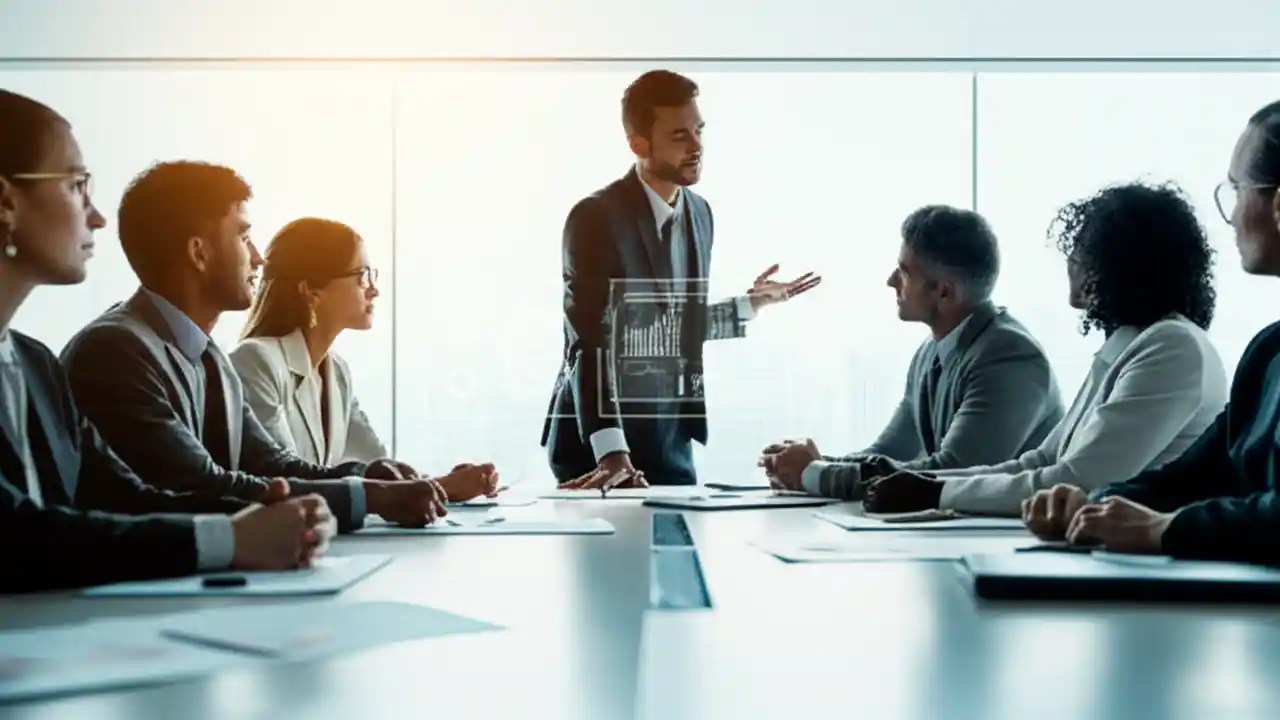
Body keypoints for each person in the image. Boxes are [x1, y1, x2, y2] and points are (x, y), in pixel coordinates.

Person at [0, 88, 331, 592]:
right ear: (6, 202)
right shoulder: (109, 350)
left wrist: (269, 516)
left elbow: (125, 498)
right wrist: (230, 538)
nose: (96, 217)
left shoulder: (34, 363)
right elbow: (19, 532)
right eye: (75, 186)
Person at [61, 161, 468, 532]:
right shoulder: (114, 352)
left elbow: (271, 464)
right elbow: (203, 484)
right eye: (243, 235)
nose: (258, 259)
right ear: (198, 252)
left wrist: (369, 475)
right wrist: (369, 495)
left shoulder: (207, 356)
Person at [863, 182, 1227, 515]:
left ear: (1121, 262)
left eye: (1081, 250)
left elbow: (1081, 480)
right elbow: (1042, 460)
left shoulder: (1173, 347)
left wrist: (936, 493)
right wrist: (933, 487)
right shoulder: (1131, 342)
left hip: (1146, 570)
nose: (1071, 263)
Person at [1023, 100, 1280, 564]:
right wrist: (1097, 503)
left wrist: (1167, 529)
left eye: (1237, 189)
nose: (1233, 213)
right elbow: (1195, 475)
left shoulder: (1176, 345)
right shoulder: (1269, 351)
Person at [543, 69, 820, 489]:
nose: (697, 147)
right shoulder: (594, 218)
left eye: (699, 131)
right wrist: (613, 454)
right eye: (679, 136)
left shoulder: (701, 214)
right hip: (596, 449)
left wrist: (750, 306)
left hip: (671, 444)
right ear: (639, 144)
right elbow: (591, 340)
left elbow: (664, 330)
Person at [762, 205, 1065, 498]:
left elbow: (953, 472)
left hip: (1006, 541)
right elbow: (888, 453)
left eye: (904, 273)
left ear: (944, 291)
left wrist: (816, 474)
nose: (891, 281)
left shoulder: (1009, 358)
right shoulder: (931, 351)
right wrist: (807, 466)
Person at [230, 217, 497, 501]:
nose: (374, 289)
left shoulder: (336, 372)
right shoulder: (257, 361)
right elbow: (283, 481)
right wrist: (440, 487)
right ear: (311, 289)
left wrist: (442, 484)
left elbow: (381, 472)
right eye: (362, 276)